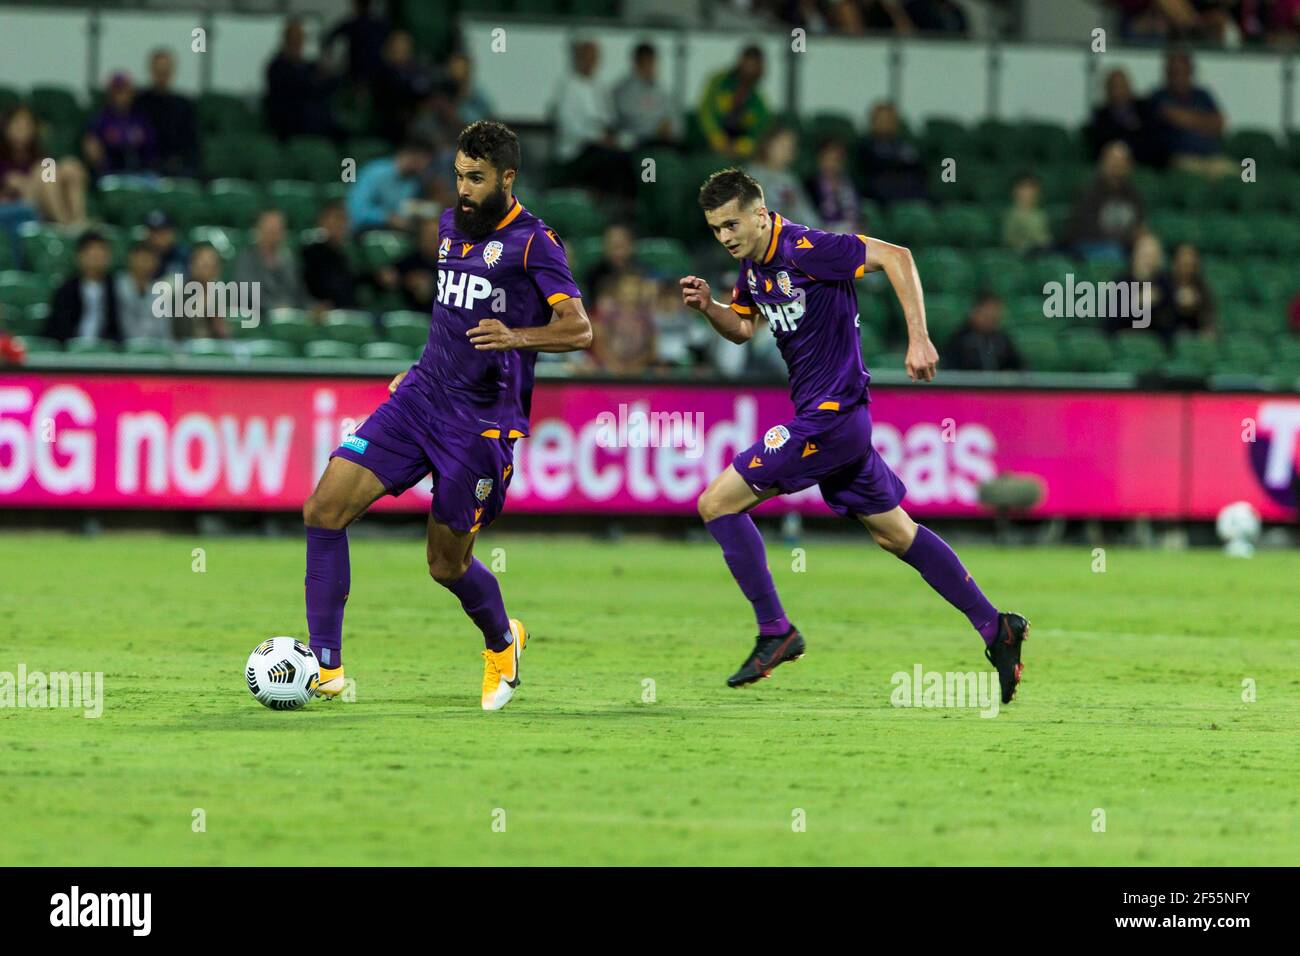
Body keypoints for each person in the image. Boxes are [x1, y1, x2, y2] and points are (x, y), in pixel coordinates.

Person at [679, 167, 1029, 701]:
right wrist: (711, 309)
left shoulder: (809, 248)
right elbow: (745, 327)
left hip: (832, 417)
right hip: (838, 425)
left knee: (716, 504)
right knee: (896, 533)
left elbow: (898, 256)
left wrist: (919, 339)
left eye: (732, 224)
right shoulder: (753, 269)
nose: (725, 237)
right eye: (715, 229)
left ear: (759, 213)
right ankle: (995, 627)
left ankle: (776, 631)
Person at [300, 121, 593, 711]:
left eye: (476, 179)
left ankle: (502, 641)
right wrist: (422, 364)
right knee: (324, 508)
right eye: (459, 175)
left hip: (480, 423)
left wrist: (517, 336)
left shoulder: (537, 243)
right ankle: (326, 668)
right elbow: (452, 314)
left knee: (444, 563)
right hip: (422, 397)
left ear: (507, 178)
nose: (463, 189)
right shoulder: (448, 225)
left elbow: (580, 330)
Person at [549, 40, 631, 194]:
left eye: (594, 57)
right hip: (575, 152)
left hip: (600, 146)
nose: (590, 61)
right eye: (586, 57)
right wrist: (598, 137)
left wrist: (610, 137)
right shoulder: (567, 87)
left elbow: (609, 119)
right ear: (577, 58)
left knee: (628, 157)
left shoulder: (600, 87)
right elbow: (570, 127)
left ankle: (622, 208)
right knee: (609, 160)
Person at [1144, 49, 1230, 176]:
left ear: (1191, 72)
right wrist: (1204, 122)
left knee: (1237, 177)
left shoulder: (1202, 95)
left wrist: (1187, 119)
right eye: (1174, 72)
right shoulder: (1159, 97)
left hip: (1212, 156)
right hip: (1181, 159)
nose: (1179, 76)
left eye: (1183, 72)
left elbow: (1219, 124)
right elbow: (1173, 116)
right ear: (1167, 73)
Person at [0, 104, 88, 226]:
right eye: (17, 125)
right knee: (44, 170)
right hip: (21, 204)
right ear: (6, 128)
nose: (22, 130)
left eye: (27, 125)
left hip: (46, 198)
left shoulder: (38, 154)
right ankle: (65, 225)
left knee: (70, 166)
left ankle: (79, 221)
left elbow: (55, 176)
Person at [264, 18, 341, 141]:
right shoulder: (277, 67)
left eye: (300, 39)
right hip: (290, 123)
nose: (298, 43)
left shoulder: (309, 67)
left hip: (314, 121)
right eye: (294, 39)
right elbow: (302, 88)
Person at [1067, 140, 1145, 261]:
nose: (1117, 166)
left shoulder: (1133, 194)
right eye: (1113, 161)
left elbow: (1138, 224)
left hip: (1123, 246)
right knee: (1114, 253)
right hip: (1090, 244)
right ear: (1103, 163)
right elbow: (1089, 229)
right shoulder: (1090, 191)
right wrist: (1126, 239)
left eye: (1122, 161)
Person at [45, 232, 122, 344]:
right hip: (71, 350)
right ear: (79, 256)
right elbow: (57, 328)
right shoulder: (66, 289)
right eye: (91, 253)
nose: (96, 258)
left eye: (101, 253)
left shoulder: (116, 288)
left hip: (106, 351)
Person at [346, 137, 434, 232]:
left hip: (393, 233)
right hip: (362, 230)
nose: (425, 166)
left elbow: (403, 211)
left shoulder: (413, 182)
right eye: (423, 160)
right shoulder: (375, 172)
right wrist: (386, 218)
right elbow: (356, 209)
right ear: (412, 155)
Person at [133, 49, 198, 176]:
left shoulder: (184, 106)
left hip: (178, 169)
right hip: (144, 167)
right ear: (151, 71)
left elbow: (193, 145)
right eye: (159, 71)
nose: (162, 75)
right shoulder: (138, 103)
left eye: (165, 71)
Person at [697, 45, 769, 159]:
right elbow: (706, 113)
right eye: (747, 65)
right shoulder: (719, 82)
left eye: (754, 67)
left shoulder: (758, 103)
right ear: (740, 64)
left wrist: (739, 147)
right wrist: (717, 139)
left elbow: (756, 134)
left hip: (739, 154)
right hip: (709, 145)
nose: (749, 71)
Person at [83, 72, 158, 178]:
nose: (121, 96)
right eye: (117, 92)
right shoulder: (100, 119)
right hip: (110, 173)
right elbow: (92, 146)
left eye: (125, 91)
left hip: (141, 173)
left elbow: (151, 149)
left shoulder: (140, 119)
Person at [746, 124, 819, 227]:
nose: (788, 151)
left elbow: (806, 214)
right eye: (782, 145)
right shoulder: (753, 175)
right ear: (768, 145)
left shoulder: (790, 179)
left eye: (791, 147)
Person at [858, 100, 928, 206]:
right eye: (881, 119)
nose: (886, 123)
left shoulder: (905, 145)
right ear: (873, 121)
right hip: (882, 193)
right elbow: (873, 167)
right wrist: (899, 164)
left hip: (911, 188)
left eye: (889, 119)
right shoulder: (865, 144)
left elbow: (919, 167)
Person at [611, 42, 680, 149]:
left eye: (653, 63)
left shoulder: (660, 89)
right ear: (636, 63)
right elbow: (631, 121)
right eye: (646, 63)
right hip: (636, 144)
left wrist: (669, 126)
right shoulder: (623, 90)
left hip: (662, 141)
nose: (651, 67)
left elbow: (672, 115)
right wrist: (656, 129)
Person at [234, 208, 304, 311]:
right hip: (257, 317)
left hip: (289, 316)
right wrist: (275, 307)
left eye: (278, 229)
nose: (274, 234)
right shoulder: (247, 259)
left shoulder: (289, 260)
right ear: (259, 229)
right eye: (270, 229)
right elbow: (248, 293)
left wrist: (312, 308)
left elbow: (298, 293)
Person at [302, 200, 360, 311]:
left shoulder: (344, 255)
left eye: (342, 220)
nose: (339, 225)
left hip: (350, 311)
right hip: (322, 312)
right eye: (335, 220)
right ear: (323, 222)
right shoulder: (311, 253)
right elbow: (304, 287)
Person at [944, 293, 1022, 371]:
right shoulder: (959, 340)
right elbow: (950, 370)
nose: (990, 319)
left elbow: (1021, 368)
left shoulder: (1003, 340)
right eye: (986, 314)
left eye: (994, 316)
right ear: (974, 312)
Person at [1086, 69, 1148, 163]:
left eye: (1123, 86)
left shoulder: (1144, 110)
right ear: (1108, 90)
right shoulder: (1101, 116)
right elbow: (1101, 146)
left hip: (1141, 161)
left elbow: (1152, 142)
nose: (1120, 91)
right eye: (1115, 87)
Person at [805, 138, 861, 233]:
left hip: (851, 231)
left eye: (836, 160)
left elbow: (856, 213)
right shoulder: (810, 185)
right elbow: (809, 219)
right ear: (819, 159)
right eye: (827, 159)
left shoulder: (849, 184)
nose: (831, 164)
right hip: (823, 234)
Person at [115, 241, 168, 341]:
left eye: (149, 259)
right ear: (131, 259)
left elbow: (164, 330)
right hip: (122, 348)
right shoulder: (117, 285)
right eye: (141, 258)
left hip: (154, 349)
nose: (144, 263)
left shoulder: (160, 291)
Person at [1166, 242, 1216, 339]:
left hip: (1195, 336)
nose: (1187, 263)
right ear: (1175, 262)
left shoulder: (1202, 288)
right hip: (1170, 335)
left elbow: (1208, 318)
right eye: (1183, 261)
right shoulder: (1165, 284)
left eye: (1190, 262)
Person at [392, 215, 440, 312]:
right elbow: (389, 276)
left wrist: (432, 287)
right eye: (426, 235)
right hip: (407, 313)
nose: (429, 240)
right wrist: (406, 280)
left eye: (434, 236)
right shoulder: (410, 260)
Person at [1002, 173, 1051, 256]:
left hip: (1042, 250)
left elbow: (1045, 237)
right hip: (1023, 253)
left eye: (1032, 189)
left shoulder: (1040, 214)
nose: (1029, 193)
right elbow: (1008, 239)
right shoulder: (1011, 214)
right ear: (1016, 191)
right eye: (1024, 189)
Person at [143, 209, 187, 279]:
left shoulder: (184, 255)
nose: (157, 238)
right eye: (154, 232)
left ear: (172, 233)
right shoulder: (141, 257)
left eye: (162, 232)